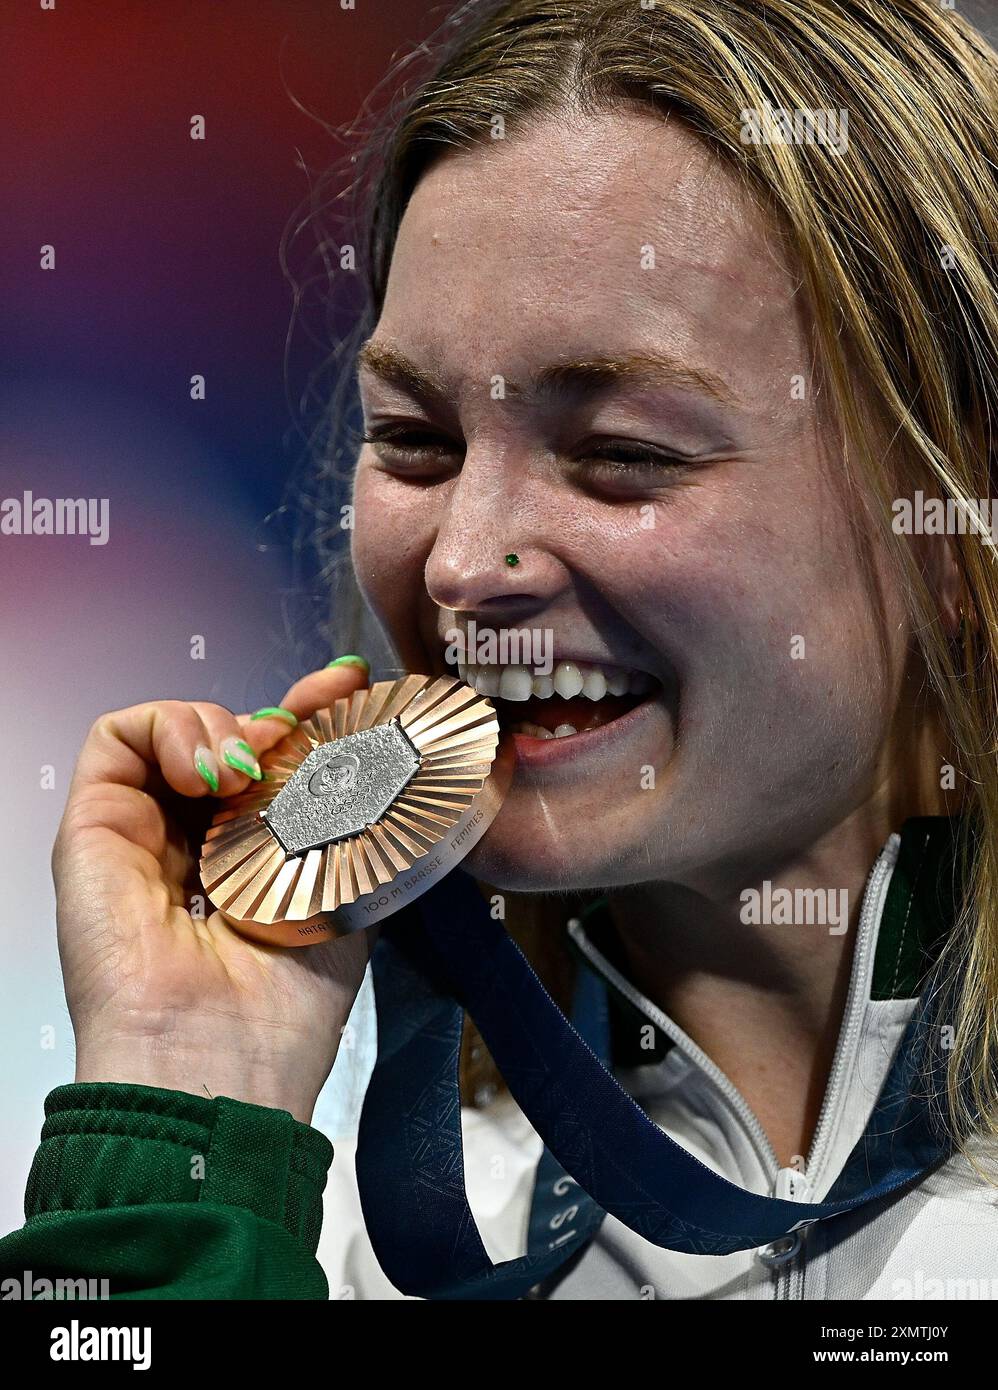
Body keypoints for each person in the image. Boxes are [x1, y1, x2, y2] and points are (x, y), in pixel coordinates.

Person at [3, 0, 998, 1300]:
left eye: (622, 455)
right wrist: (192, 1111)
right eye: (414, 439)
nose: (466, 560)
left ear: (951, 510)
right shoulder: (371, 1244)